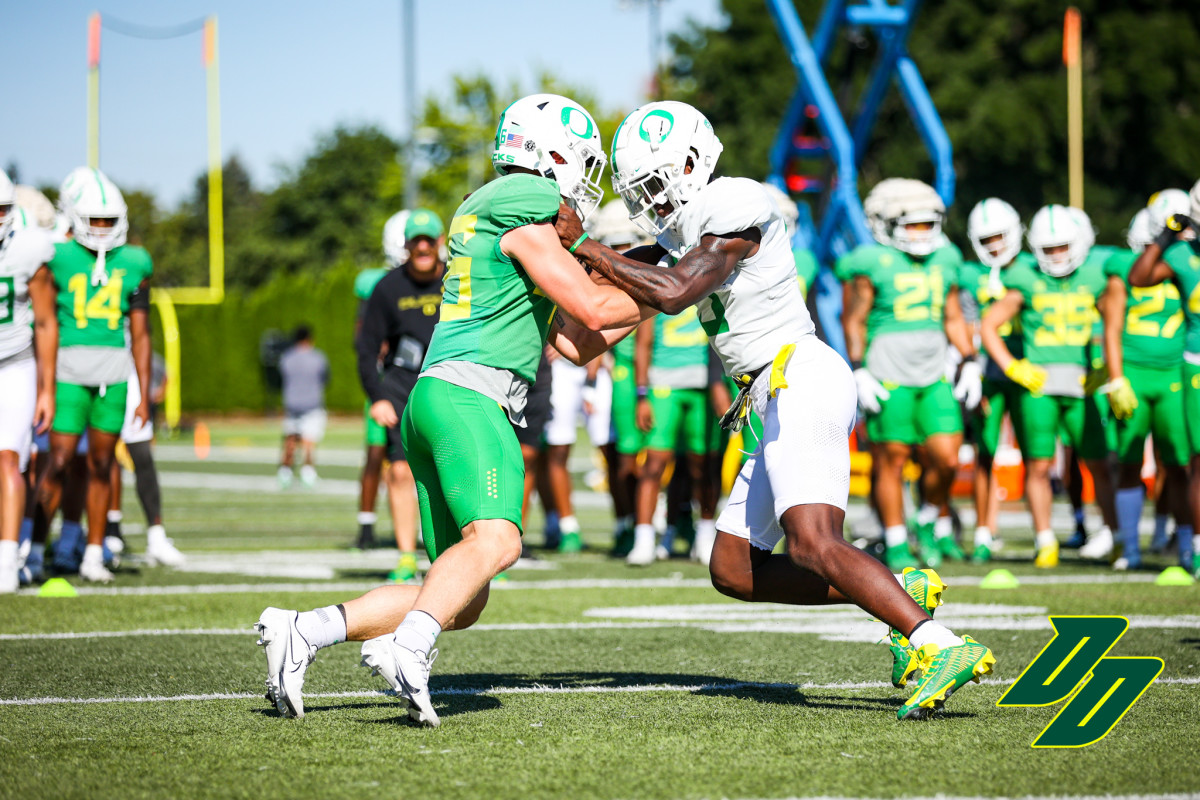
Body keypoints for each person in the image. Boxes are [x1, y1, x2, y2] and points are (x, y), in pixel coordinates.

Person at [559, 100, 994, 720]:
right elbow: (595, 316)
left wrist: (588, 246)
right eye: (639, 190)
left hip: (801, 378)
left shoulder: (733, 201)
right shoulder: (679, 234)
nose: (650, 201)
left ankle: (939, 644)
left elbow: (678, 292)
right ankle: (900, 595)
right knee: (733, 568)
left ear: (691, 162)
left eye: (654, 183)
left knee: (812, 543)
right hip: (771, 394)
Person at [255, 93, 655, 726]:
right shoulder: (526, 201)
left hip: (438, 398)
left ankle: (304, 630)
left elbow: (577, 344)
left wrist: (662, 296)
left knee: (459, 596)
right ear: (550, 158)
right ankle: (408, 650)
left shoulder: (501, 224)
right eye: (579, 163)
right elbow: (598, 307)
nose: (583, 184)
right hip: (471, 398)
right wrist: (678, 277)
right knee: (499, 540)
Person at [837, 179, 981, 570]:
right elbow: (854, 319)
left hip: (934, 371)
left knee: (948, 458)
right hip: (888, 372)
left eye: (926, 224)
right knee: (891, 461)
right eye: (911, 225)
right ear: (885, 224)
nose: (921, 233)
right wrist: (859, 367)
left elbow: (952, 315)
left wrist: (969, 360)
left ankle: (929, 518)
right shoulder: (870, 261)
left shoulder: (946, 257)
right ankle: (897, 540)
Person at [981, 204, 1118, 568]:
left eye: (1062, 247)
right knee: (1038, 466)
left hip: (1083, 383)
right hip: (1038, 385)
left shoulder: (1097, 272)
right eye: (1049, 248)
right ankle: (1045, 540)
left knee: (1099, 464)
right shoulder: (1025, 276)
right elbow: (989, 324)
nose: (1056, 255)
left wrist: (1106, 363)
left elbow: (1116, 318)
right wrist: (1014, 367)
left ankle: (1116, 536)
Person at [34, 168, 153, 583]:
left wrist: (143, 389)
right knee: (59, 459)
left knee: (103, 464)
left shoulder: (135, 261)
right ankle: (33, 548)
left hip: (113, 374)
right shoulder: (55, 255)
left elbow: (140, 332)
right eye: (94, 220)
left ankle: (92, 553)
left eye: (108, 220)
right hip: (68, 371)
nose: (101, 228)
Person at [1103, 194, 1193, 571]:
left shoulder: (1187, 264)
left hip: (1175, 372)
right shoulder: (1127, 265)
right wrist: (1116, 376)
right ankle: (1131, 548)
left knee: (1180, 463)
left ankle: (1188, 548)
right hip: (1137, 372)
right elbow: (1112, 324)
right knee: (1128, 460)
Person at [356, 208, 446, 583]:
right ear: (406, 245)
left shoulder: (460, 278)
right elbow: (365, 347)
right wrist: (377, 396)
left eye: (429, 240)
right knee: (398, 471)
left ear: (440, 243)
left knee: (452, 471)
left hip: (449, 383)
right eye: (416, 241)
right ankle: (407, 556)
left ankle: (454, 557)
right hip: (402, 387)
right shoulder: (388, 287)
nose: (422, 247)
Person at [1128, 180, 1200, 575]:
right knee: (1196, 462)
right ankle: (1198, 551)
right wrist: (1168, 235)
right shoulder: (1184, 256)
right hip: (1196, 364)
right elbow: (1138, 276)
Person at [626, 302, 720, 566]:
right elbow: (643, 342)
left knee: (704, 466)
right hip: (664, 385)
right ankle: (643, 538)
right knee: (654, 464)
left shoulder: (711, 275)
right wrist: (641, 394)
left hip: (704, 385)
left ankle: (705, 534)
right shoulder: (662, 278)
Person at [959, 198, 1026, 562]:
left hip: (1028, 369)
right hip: (987, 372)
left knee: (1038, 452)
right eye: (987, 239)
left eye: (1000, 236)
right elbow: (966, 322)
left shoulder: (1033, 268)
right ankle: (983, 530)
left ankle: (1048, 533)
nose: (995, 245)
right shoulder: (969, 275)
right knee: (985, 450)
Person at [0, 171, 58, 592]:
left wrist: (46, 388)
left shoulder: (28, 247)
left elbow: (44, 320)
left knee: (8, 460)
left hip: (15, 362)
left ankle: (6, 559)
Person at [352, 209, 408, 550]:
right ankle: (366, 523)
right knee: (376, 453)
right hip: (387, 380)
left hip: (417, 379)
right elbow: (364, 337)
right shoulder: (376, 283)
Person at [105, 351, 183, 567]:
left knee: (143, 457)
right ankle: (105, 531)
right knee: (99, 456)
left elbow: (141, 335)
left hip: (126, 370)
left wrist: (145, 394)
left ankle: (156, 537)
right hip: (90, 364)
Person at [277, 326, 329, 489]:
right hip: (312, 404)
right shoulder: (318, 357)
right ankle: (308, 472)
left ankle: (285, 472)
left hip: (292, 404)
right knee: (309, 441)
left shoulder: (286, 358)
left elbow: (280, 380)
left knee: (290, 440)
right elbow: (325, 378)